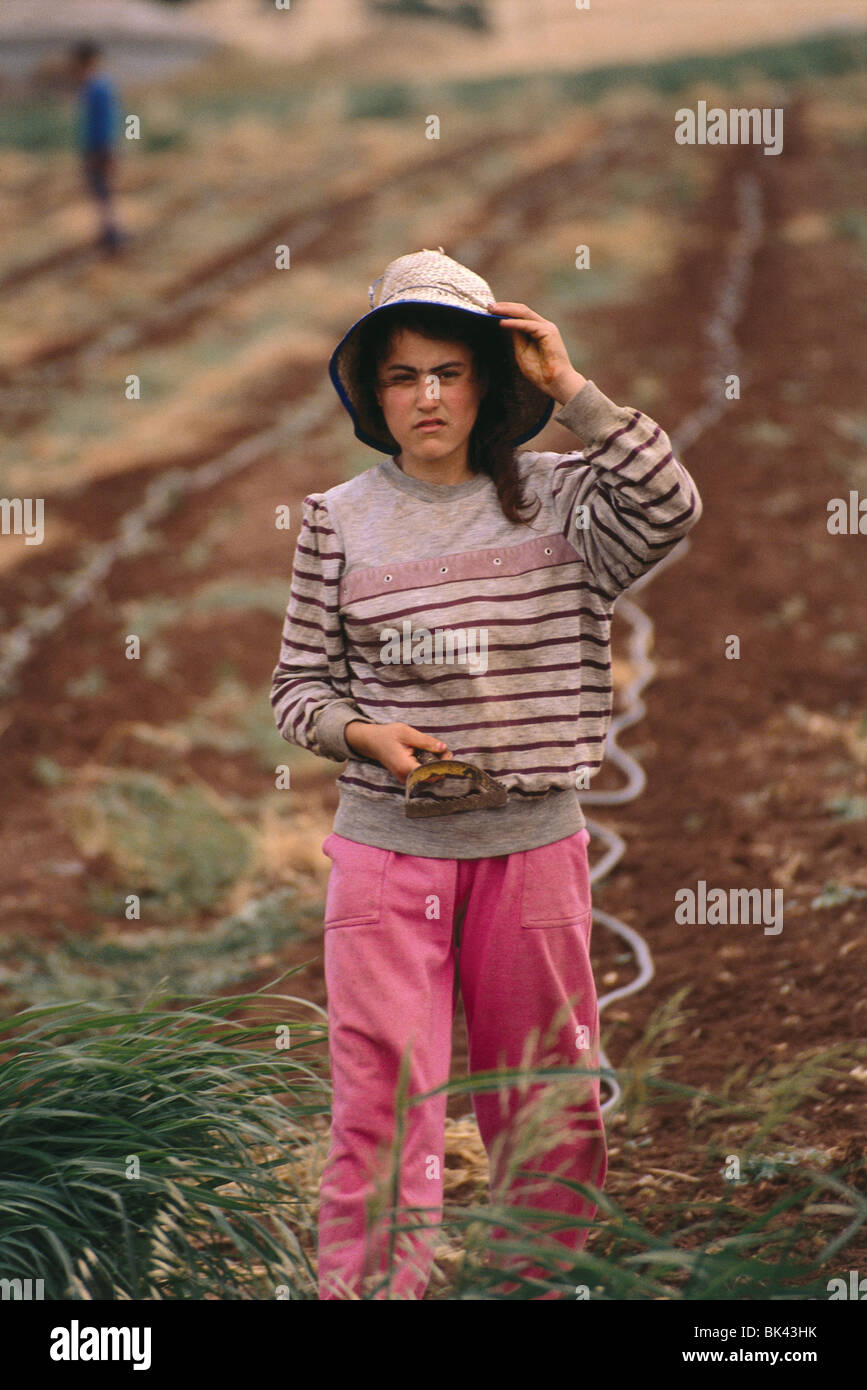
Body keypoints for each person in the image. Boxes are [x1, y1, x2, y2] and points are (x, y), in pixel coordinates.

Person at [270, 248, 703, 1299]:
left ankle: (536, 1284)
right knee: (382, 1103)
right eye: (404, 374)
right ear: (374, 391)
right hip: (387, 851)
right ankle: (376, 1290)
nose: (427, 395)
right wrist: (360, 734)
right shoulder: (339, 519)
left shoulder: (560, 501)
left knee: (548, 1100)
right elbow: (297, 689)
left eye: (450, 371)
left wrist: (575, 390)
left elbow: (674, 505)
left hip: (531, 849)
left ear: (488, 380)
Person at [69, 39, 126, 255]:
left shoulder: (97, 87)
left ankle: (113, 237)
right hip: (100, 147)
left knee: (103, 193)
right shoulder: (98, 85)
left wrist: (104, 150)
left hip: (99, 149)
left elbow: (106, 121)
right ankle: (110, 233)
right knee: (102, 193)